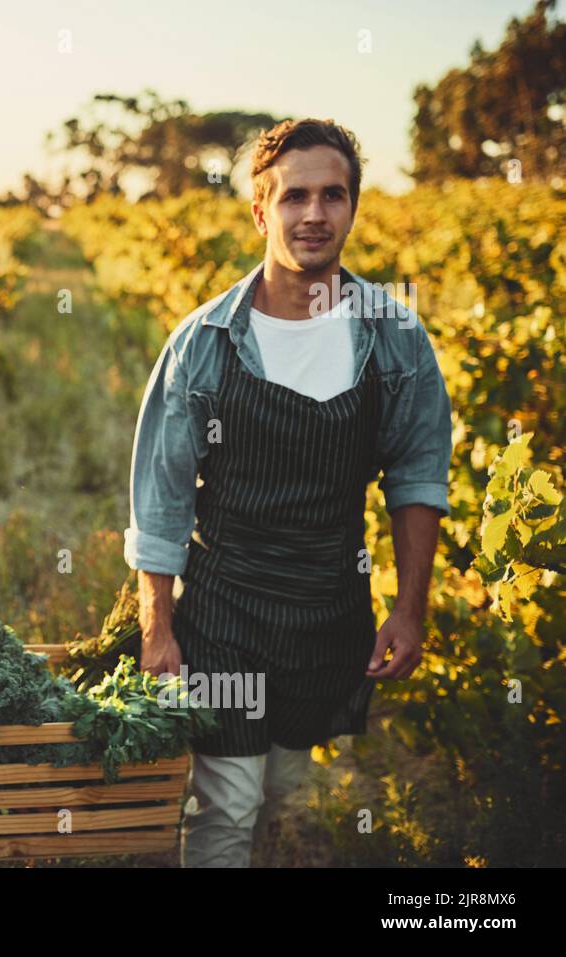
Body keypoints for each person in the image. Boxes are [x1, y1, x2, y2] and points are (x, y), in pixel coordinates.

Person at [125, 119, 453, 867]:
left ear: (352, 208)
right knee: (229, 803)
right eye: (295, 195)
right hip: (227, 609)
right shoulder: (206, 340)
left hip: (329, 611)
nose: (314, 213)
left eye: (332, 195)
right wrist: (159, 625)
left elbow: (416, 477)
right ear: (260, 211)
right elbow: (163, 494)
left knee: (284, 793)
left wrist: (409, 607)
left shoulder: (393, 336)